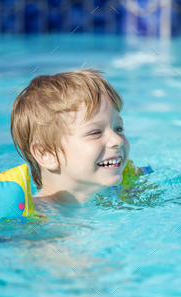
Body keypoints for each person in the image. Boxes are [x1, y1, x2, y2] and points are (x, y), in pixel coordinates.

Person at [10, 68, 142, 212]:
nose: (117, 140)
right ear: (46, 154)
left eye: (119, 128)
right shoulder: (35, 215)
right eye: (96, 132)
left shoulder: (121, 193)